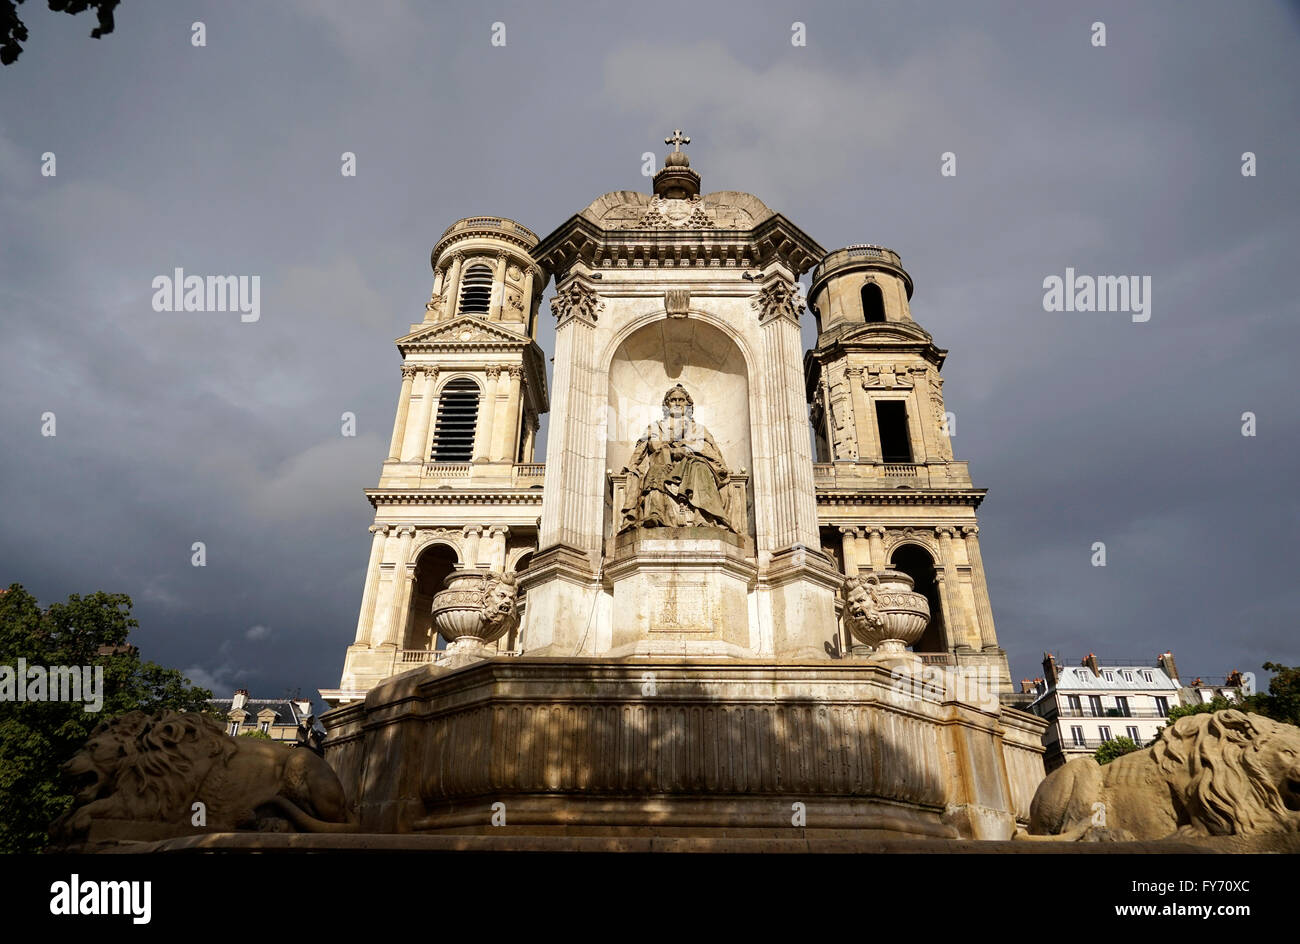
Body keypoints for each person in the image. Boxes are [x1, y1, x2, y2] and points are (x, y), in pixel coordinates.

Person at [620, 384, 734, 532]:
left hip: (693, 462)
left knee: (700, 467)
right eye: (673, 400)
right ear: (667, 404)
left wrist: (686, 449)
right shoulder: (656, 427)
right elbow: (646, 448)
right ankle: (655, 514)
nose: (678, 403)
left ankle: (703, 517)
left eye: (681, 399)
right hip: (663, 462)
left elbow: (710, 451)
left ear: (687, 404)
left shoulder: (698, 429)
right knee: (656, 469)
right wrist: (668, 452)